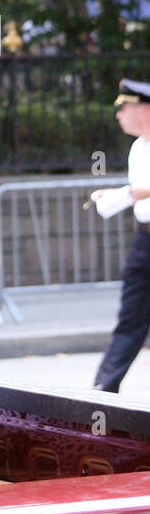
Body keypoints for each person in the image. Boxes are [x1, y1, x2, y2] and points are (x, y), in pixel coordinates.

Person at [91, 79, 150, 393]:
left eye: (123, 107)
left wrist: (128, 192)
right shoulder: (139, 147)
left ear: (143, 109)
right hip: (145, 240)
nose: (118, 115)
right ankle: (104, 387)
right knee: (131, 315)